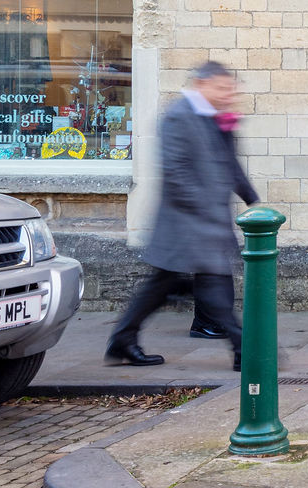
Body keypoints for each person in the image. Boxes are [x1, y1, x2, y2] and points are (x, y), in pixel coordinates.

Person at [106, 61, 259, 368]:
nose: (229, 94)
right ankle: (245, 350)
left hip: (204, 221)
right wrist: (207, 210)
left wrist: (252, 199)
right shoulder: (179, 116)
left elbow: (228, 165)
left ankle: (123, 338)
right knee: (212, 286)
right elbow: (175, 173)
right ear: (202, 85)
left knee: (163, 286)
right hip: (186, 222)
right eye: (222, 88)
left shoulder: (215, 118)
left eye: (231, 89)